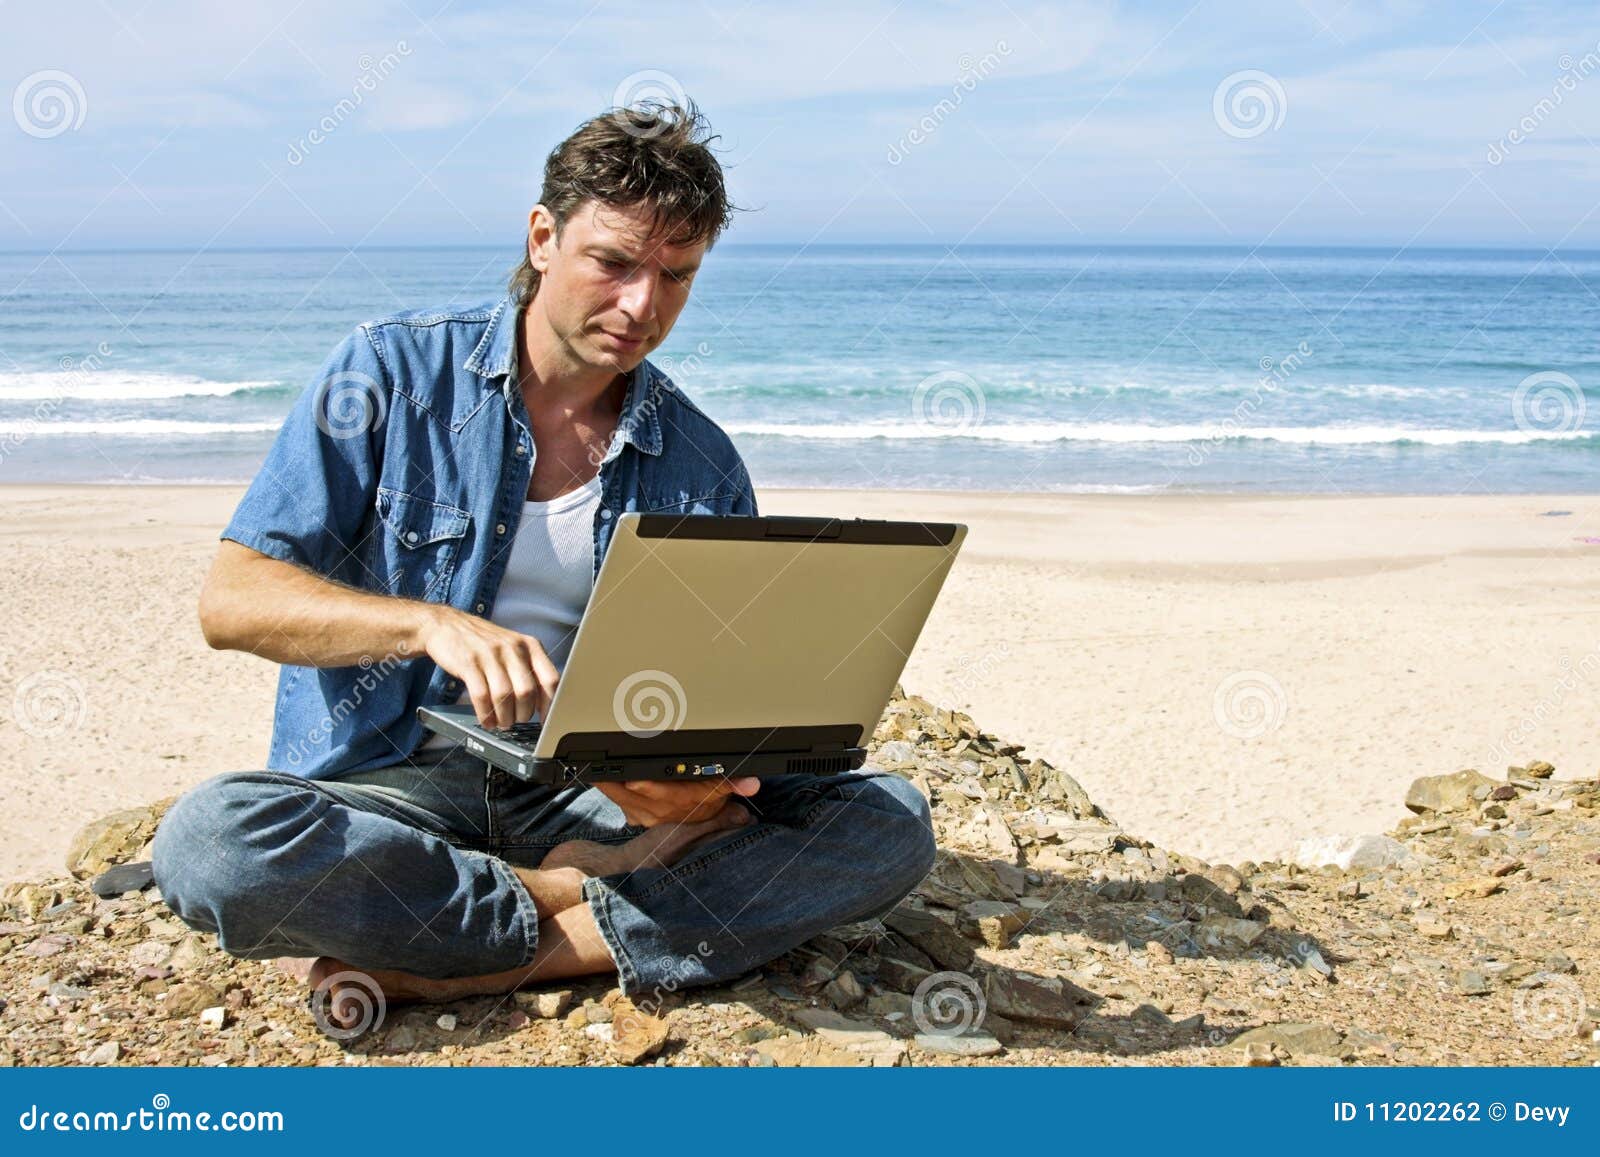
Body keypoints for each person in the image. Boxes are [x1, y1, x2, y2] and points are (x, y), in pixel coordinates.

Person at [150, 100, 936, 1032]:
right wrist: (425, 622)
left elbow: (715, 699)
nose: (642, 306)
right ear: (542, 238)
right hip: (385, 788)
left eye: (676, 276)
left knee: (887, 821)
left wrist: (690, 781)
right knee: (214, 844)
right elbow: (232, 599)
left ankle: (493, 956)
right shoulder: (388, 374)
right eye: (613, 263)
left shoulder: (702, 459)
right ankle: (576, 905)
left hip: (589, 796)